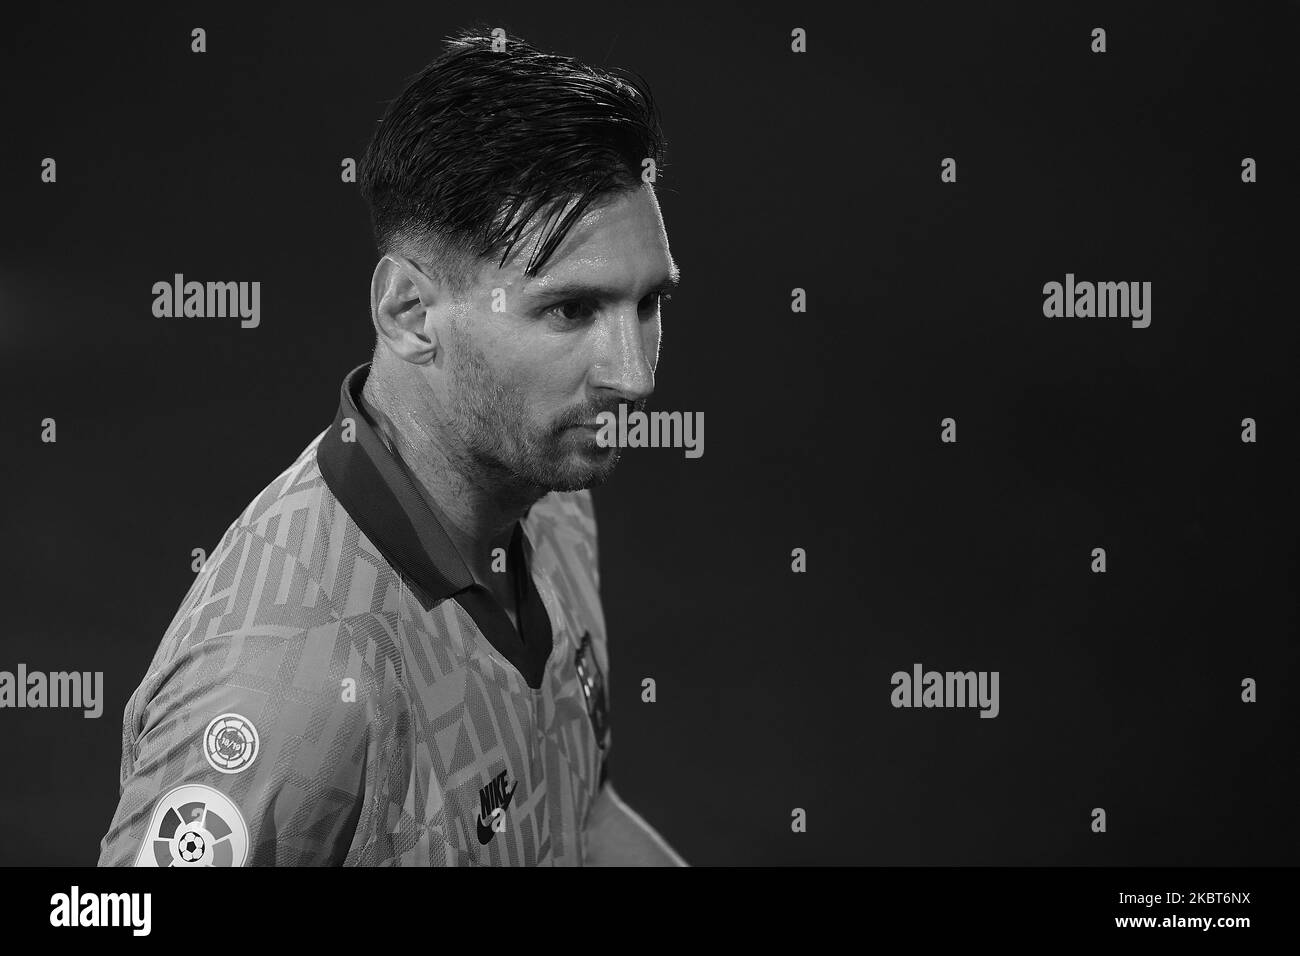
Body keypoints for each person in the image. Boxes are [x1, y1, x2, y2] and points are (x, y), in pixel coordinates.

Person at [97, 27, 684, 866]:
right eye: (571, 310)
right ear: (410, 313)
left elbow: (580, 817)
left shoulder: (549, 494)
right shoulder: (287, 682)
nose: (633, 375)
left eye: (649, 304)